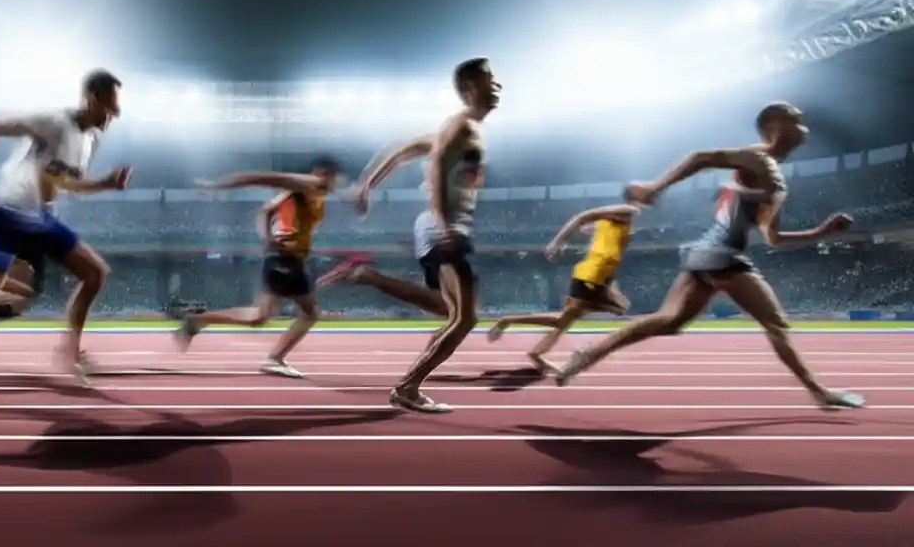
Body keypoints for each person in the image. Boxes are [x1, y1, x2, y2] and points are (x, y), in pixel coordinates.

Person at [553, 102, 864, 410]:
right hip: (723, 255)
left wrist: (823, 232)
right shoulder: (757, 159)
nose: (804, 126)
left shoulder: (775, 177)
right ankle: (820, 393)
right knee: (776, 324)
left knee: (668, 321)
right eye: (796, 119)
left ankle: (587, 355)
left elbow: (773, 238)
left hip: (707, 254)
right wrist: (655, 187)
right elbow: (700, 157)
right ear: (775, 126)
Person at [319, 57, 500, 413]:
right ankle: (408, 387)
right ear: (468, 88)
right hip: (442, 226)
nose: (497, 86)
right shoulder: (461, 127)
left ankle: (371, 277)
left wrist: (365, 187)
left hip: (438, 226)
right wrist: (445, 223)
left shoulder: (457, 130)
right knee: (466, 318)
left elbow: (402, 151)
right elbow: (434, 168)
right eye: (489, 80)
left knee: (451, 313)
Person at [0, 69, 130, 384]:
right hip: (6, 209)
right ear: (92, 98)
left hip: (40, 216)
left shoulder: (91, 142)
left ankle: (69, 353)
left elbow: (67, 184)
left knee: (95, 273)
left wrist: (105, 184)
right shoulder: (54, 121)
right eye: (110, 105)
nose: (115, 114)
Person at [173, 157, 342, 378]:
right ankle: (275, 359)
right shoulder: (311, 184)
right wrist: (217, 185)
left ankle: (198, 320)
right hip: (287, 258)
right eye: (335, 178)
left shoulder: (306, 193)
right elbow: (261, 178)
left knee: (259, 317)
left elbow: (266, 210)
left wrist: (268, 238)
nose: (336, 184)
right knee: (309, 313)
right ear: (324, 173)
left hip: (283, 257)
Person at [486, 199, 638, 374]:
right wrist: (557, 242)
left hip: (600, 276)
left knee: (568, 318)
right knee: (609, 310)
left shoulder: (617, 224)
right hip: (592, 275)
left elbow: (590, 229)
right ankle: (508, 321)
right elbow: (581, 217)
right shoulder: (628, 211)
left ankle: (536, 353)